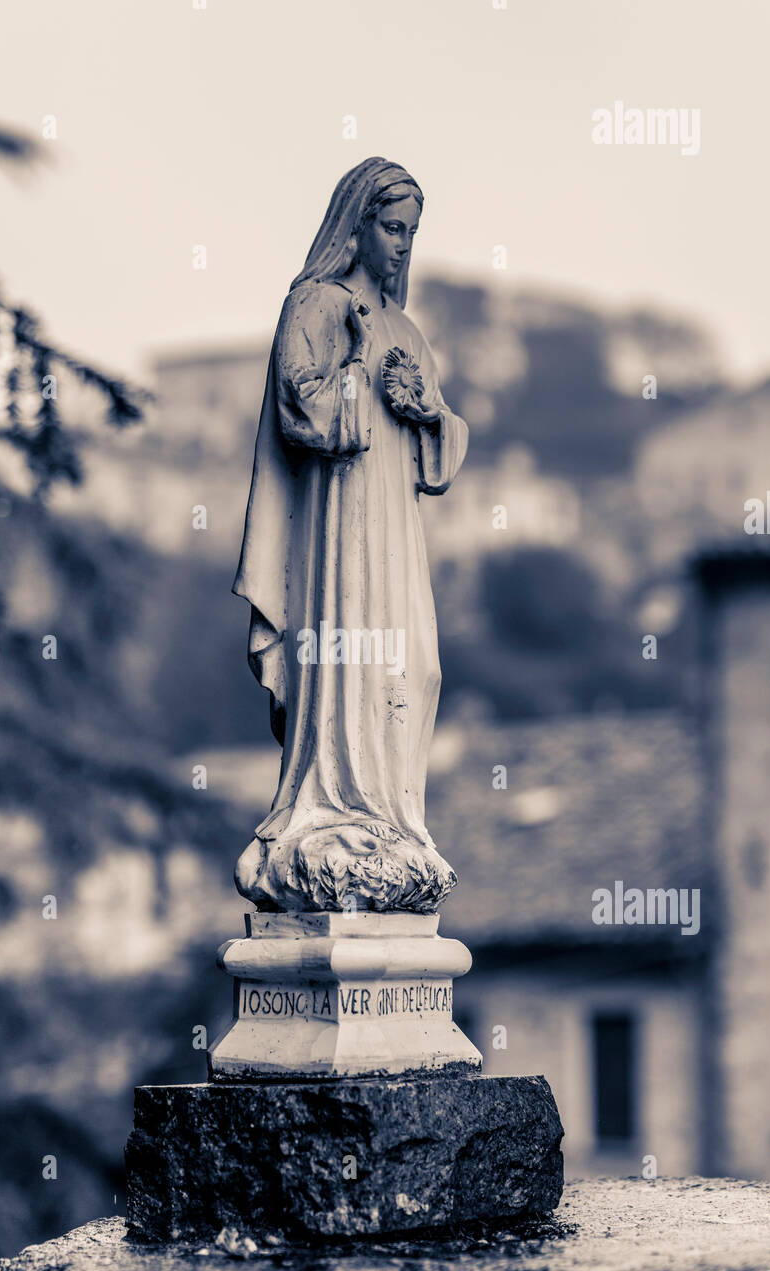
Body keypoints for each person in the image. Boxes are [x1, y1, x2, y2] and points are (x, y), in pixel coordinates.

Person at [233, 157, 468, 913]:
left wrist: (429, 412)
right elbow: (302, 416)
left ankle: (395, 817)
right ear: (357, 226)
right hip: (335, 536)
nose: (402, 246)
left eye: (412, 233)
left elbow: (438, 458)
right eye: (392, 228)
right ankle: (333, 807)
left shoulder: (407, 327)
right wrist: (363, 367)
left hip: (396, 533)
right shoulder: (315, 305)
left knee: (416, 667)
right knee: (348, 658)